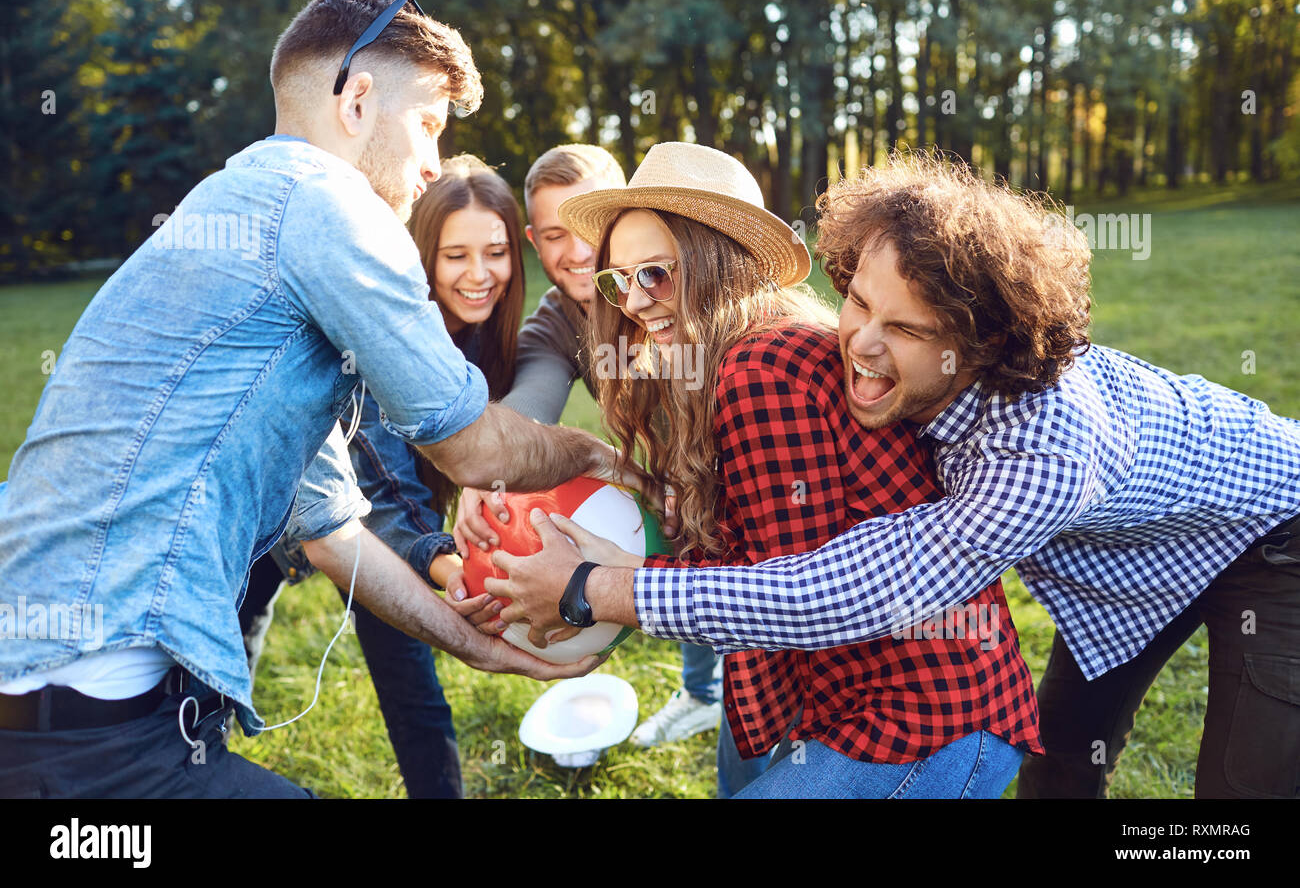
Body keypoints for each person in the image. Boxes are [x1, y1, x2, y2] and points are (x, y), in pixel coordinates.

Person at [490, 149, 1300, 799]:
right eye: (857, 303)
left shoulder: (1043, 452)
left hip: (1271, 541)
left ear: (977, 344)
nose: (860, 345)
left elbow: (849, 588)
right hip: (1135, 553)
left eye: (904, 328)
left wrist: (597, 588)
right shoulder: (843, 366)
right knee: (1060, 770)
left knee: (1240, 793)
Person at [0, 0, 646, 799]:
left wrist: (472, 642)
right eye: (427, 125)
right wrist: (596, 455)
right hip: (97, 728)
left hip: (51, 714)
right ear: (359, 98)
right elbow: (474, 445)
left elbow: (334, 533)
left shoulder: (233, 219)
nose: (433, 163)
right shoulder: (326, 205)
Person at [497, 142, 1042, 797]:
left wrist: (592, 585)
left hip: (921, 719)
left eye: (657, 273)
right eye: (619, 279)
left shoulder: (760, 370)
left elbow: (777, 602)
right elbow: (755, 558)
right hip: (843, 697)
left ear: (716, 262)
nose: (635, 301)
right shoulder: (733, 350)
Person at [239, 154, 527, 798]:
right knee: (230, 645)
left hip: (368, 533)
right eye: (456, 256)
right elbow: (387, 495)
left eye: (496, 252)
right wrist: (461, 576)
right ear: (423, 254)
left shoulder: (486, 339)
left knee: (409, 683)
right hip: (290, 516)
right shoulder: (381, 336)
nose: (480, 275)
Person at [447, 145, 728, 756]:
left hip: (735, 457)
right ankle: (704, 695)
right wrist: (488, 461)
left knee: (732, 580)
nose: (575, 252)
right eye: (554, 234)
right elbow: (533, 398)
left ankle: (737, 700)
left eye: (587, 229)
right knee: (684, 552)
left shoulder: (670, 287)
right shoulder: (557, 320)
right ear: (533, 240)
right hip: (670, 471)